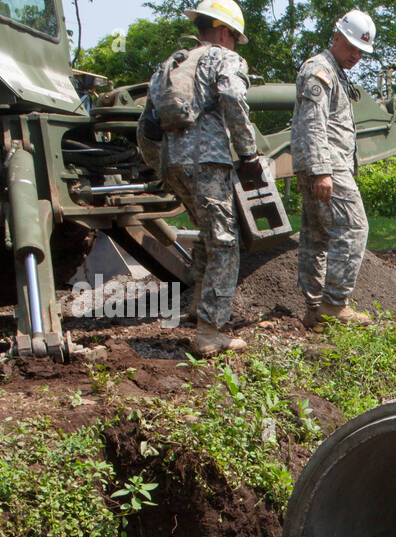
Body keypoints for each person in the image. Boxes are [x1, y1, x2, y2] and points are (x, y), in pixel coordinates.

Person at [154, 0, 264, 357]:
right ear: (223, 31)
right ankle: (210, 331)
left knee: (206, 231)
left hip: (173, 164)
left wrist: (159, 167)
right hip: (209, 164)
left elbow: (147, 124)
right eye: (235, 37)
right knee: (224, 243)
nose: (234, 45)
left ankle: (195, 307)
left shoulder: (172, 64)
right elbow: (232, 95)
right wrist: (248, 154)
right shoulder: (224, 58)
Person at [293, 9, 376, 330]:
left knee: (317, 235)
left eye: (361, 51)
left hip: (323, 165)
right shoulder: (320, 71)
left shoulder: (334, 71)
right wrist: (321, 171)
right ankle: (334, 304)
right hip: (327, 165)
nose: (356, 55)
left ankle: (315, 309)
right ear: (337, 36)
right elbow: (313, 123)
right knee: (354, 228)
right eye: (352, 47)